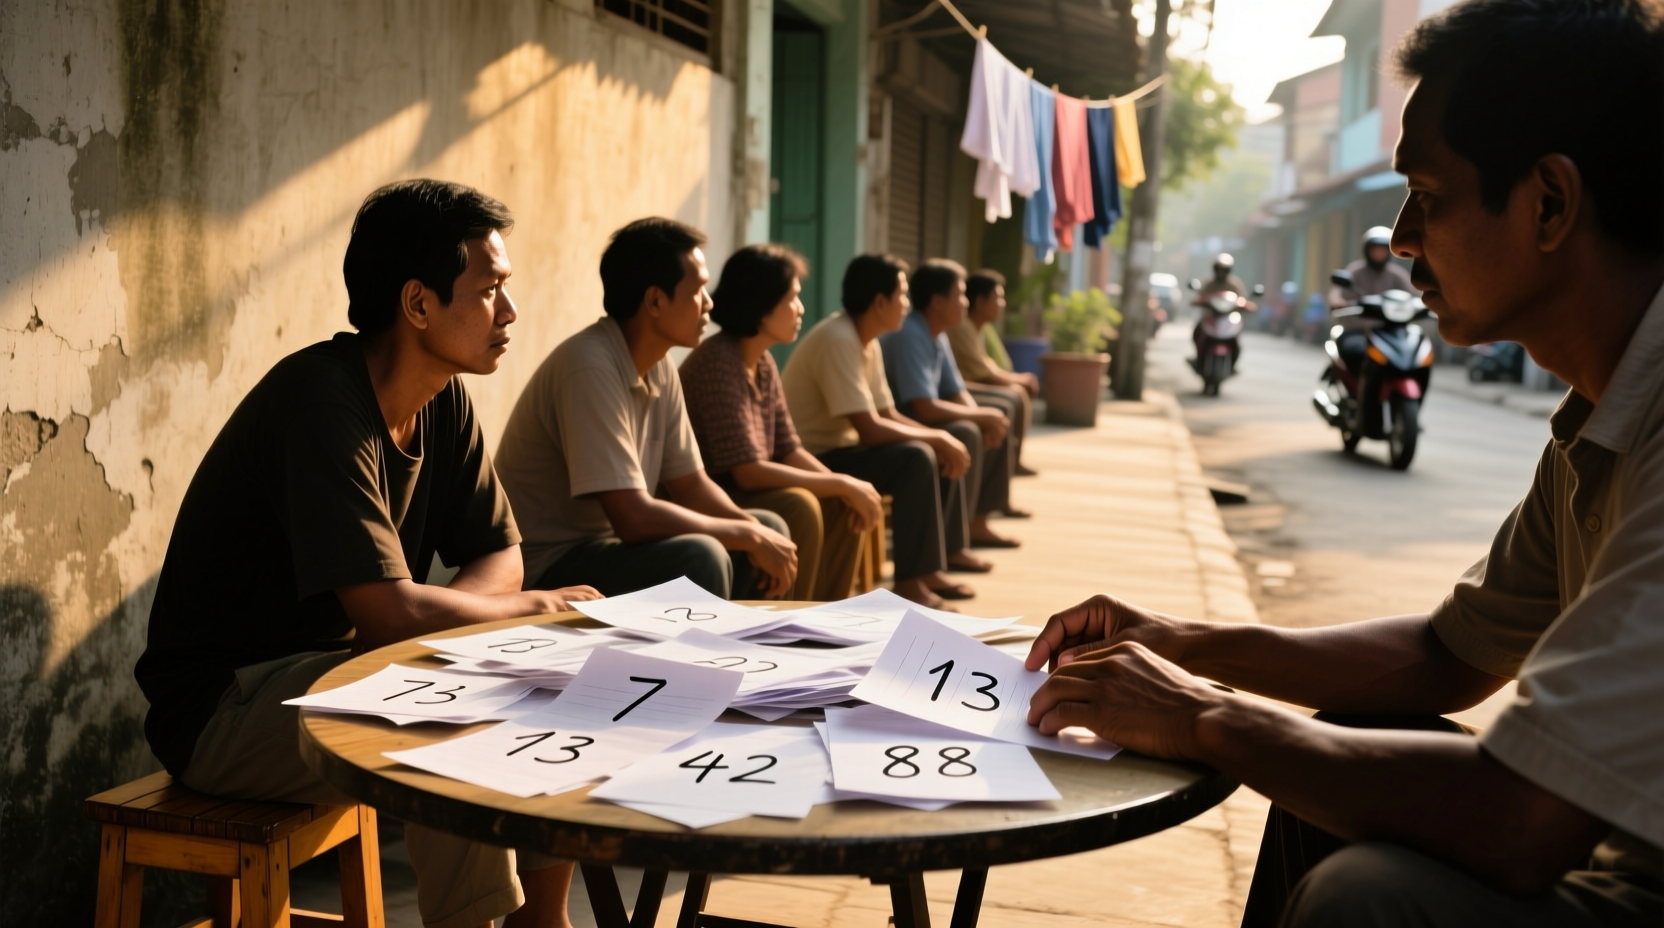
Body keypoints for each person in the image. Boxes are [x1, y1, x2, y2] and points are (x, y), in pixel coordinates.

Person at [1024, 1, 1664, 925]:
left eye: (1429, 197)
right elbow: (1444, 657)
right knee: (1365, 739)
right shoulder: (1598, 421)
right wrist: (1173, 644)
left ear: (1551, 205)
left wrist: (1207, 715)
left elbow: (1520, 821)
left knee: (1369, 895)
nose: (1403, 238)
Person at [135, 180, 600, 928]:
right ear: (418, 305)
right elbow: (388, 615)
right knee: (456, 709)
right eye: (489, 291)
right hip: (224, 709)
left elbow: (500, 552)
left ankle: (541, 920)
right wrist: (529, 609)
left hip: (338, 677)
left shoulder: (442, 399)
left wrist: (498, 612)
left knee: (527, 677)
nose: (509, 312)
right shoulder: (320, 401)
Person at [495, 218, 797, 600]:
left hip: (606, 548)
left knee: (769, 528)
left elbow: (691, 484)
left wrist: (755, 532)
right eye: (699, 290)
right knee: (701, 555)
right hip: (547, 565)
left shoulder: (660, 367)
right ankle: (708, 660)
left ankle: (753, 651)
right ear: (655, 300)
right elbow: (633, 517)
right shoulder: (589, 366)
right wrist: (745, 534)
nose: (709, 303)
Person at [782, 254, 990, 609]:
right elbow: (870, 430)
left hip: (841, 449)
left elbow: (886, 413)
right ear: (880, 302)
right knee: (915, 458)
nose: (908, 305)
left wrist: (941, 439)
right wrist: (936, 437)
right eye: (903, 295)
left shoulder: (867, 339)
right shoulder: (839, 338)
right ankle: (909, 583)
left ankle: (925, 571)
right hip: (815, 457)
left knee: (928, 449)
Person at [679, 244, 883, 600]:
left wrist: (845, 485)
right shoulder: (718, 362)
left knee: (839, 499)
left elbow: (789, 449)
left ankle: (826, 612)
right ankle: (792, 620)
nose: (800, 309)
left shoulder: (764, 363)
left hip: (746, 488)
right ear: (761, 304)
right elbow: (747, 471)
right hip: (714, 498)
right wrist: (841, 483)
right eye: (791, 298)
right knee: (800, 504)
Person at [880, 259, 1021, 551]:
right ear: (937, 301)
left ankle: (977, 522)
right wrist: (978, 418)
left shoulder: (938, 333)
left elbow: (955, 390)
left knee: (992, 416)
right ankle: (953, 545)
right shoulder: (910, 334)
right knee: (967, 431)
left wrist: (984, 417)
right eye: (960, 295)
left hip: (919, 414)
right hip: (902, 421)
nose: (966, 303)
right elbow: (924, 408)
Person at [946, 268, 1041, 481]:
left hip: (963, 388)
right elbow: (986, 373)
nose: (1002, 304)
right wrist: (1019, 381)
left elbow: (987, 367)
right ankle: (1008, 468)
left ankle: (1010, 467)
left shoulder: (973, 328)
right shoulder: (961, 327)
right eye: (998, 298)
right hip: (962, 389)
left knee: (1014, 395)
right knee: (1013, 397)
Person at [1191, 252, 1254, 368]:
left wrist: (1246, 305)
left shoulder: (1234, 284)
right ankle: (1198, 359)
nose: (1221, 272)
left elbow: (1242, 299)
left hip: (1228, 318)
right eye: (1219, 269)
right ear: (1215, 269)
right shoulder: (1209, 284)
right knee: (1197, 332)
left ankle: (1232, 365)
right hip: (1211, 316)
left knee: (1237, 340)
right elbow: (1200, 296)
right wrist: (1198, 301)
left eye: (1224, 270)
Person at [1330, 226, 1417, 308]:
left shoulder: (1397, 274)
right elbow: (1337, 292)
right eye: (1375, 250)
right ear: (1367, 250)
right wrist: (1337, 301)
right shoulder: (1355, 270)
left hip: (1389, 322)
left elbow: (1412, 294)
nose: (1379, 253)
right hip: (1357, 321)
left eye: (1383, 250)